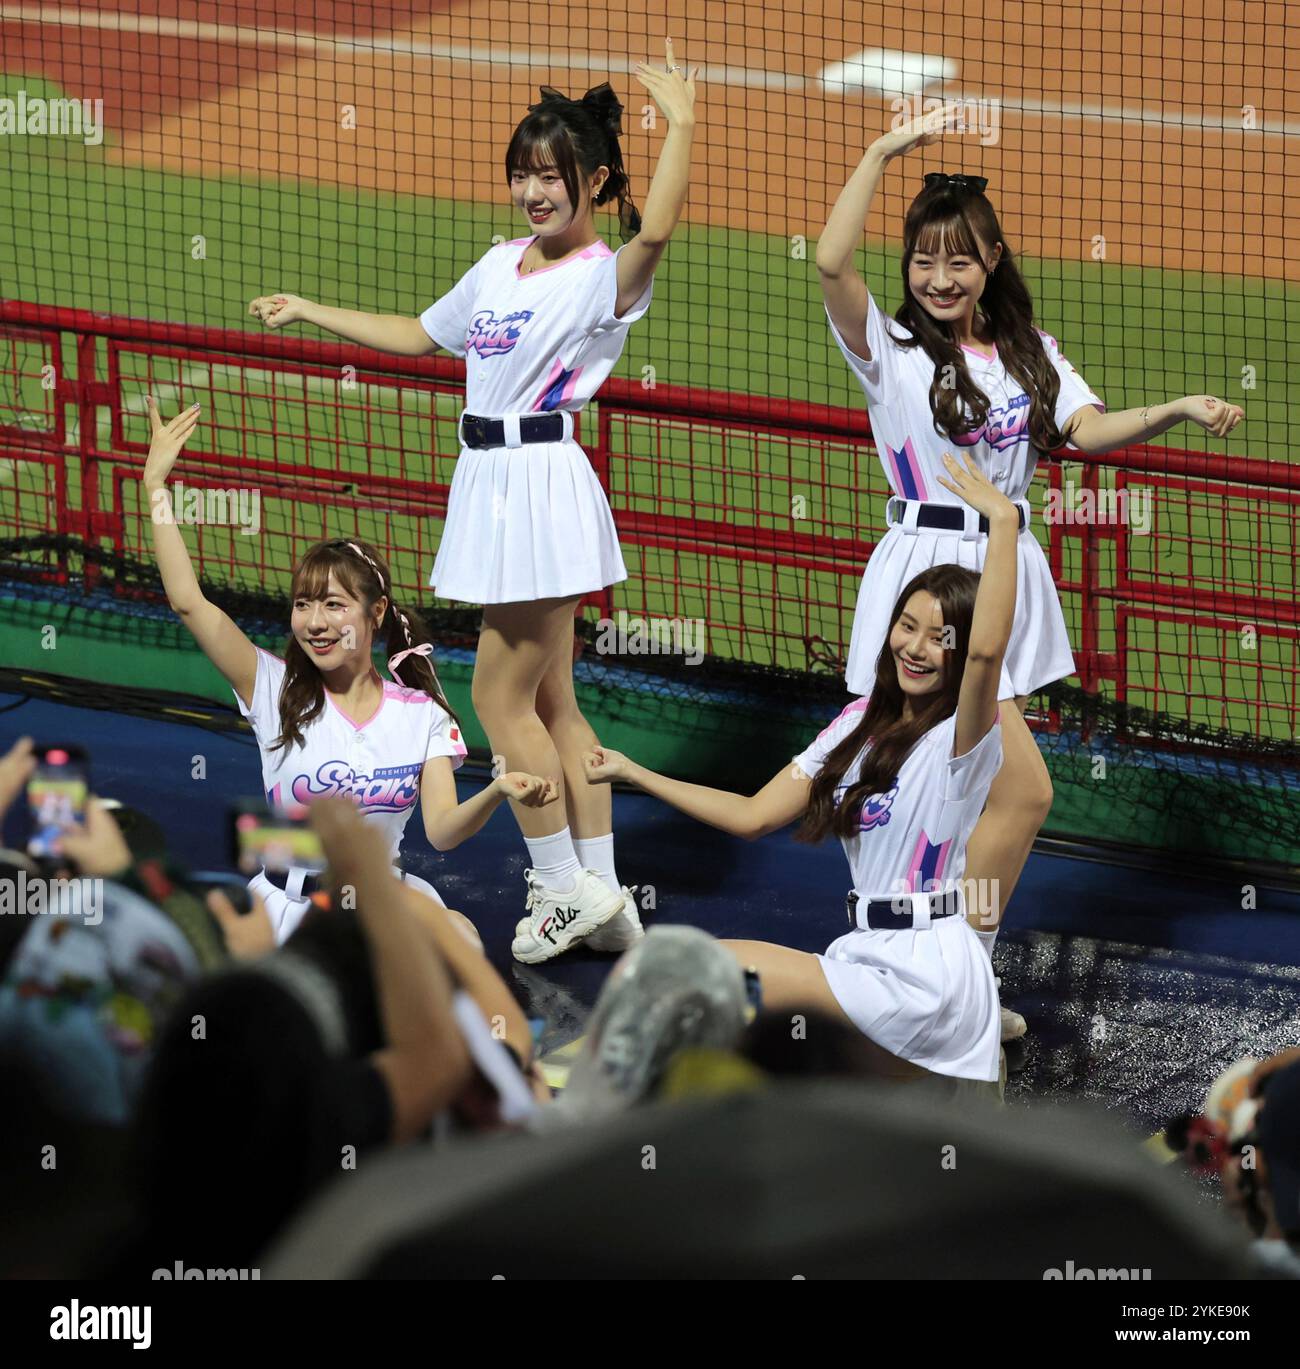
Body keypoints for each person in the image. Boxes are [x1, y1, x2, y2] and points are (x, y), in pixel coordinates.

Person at [246, 41, 699, 963]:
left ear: (596, 179)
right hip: (493, 486)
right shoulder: (502, 264)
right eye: (524, 174)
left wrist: (683, 126)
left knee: (497, 699)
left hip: (540, 484)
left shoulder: (601, 276)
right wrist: (313, 309)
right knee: (554, 701)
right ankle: (603, 893)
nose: (535, 192)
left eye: (554, 176)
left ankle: (561, 885)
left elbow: (655, 236)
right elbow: (420, 333)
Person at [814, 103, 1246, 1031]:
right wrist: (884, 150)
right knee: (1011, 786)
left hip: (999, 569)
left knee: (967, 789)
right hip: (931, 577)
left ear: (992, 262)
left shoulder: (1025, 353)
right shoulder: (887, 350)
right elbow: (829, 262)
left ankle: (944, 976)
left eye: (958, 259)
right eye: (923, 260)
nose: (938, 277)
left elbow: (1083, 432)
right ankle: (946, 974)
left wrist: (1171, 409)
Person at [584, 451, 1018, 1086]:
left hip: (927, 974)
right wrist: (634, 771)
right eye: (906, 625)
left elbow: (987, 652)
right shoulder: (856, 723)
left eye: (939, 638)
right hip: (868, 956)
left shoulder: (964, 738)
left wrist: (1002, 522)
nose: (917, 647)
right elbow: (751, 816)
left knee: (677, 978)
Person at [143, 399, 556, 944]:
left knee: (463, 937)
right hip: (289, 913)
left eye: (334, 605)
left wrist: (498, 789)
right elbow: (189, 603)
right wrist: (156, 488)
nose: (315, 623)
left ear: (375, 613)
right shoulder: (272, 688)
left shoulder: (421, 714)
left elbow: (444, 832)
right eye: (303, 605)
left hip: (380, 901)